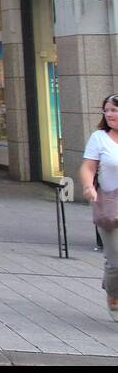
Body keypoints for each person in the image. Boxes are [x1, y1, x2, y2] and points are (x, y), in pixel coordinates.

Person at [81, 95, 118, 321]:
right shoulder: (99, 138)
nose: (110, 114)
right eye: (107, 110)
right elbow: (88, 167)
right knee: (115, 261)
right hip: (110, 205)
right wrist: (88, 187)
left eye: (115, 110)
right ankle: (113, 294)